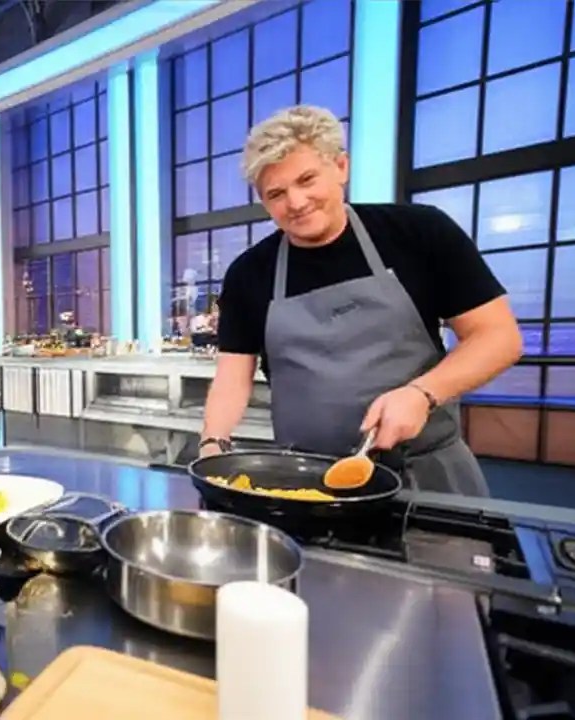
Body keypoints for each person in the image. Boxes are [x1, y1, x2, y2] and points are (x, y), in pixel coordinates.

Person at [198, 105, 522, 496]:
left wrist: (422, 393)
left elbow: (498, 337)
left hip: (427, 474)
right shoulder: (249, 273)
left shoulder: (418, 233)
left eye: (307, 179)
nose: (296, 202)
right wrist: (212, 444)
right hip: (308, 480)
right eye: (277, 193)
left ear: (341, 167)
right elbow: (233, 378)